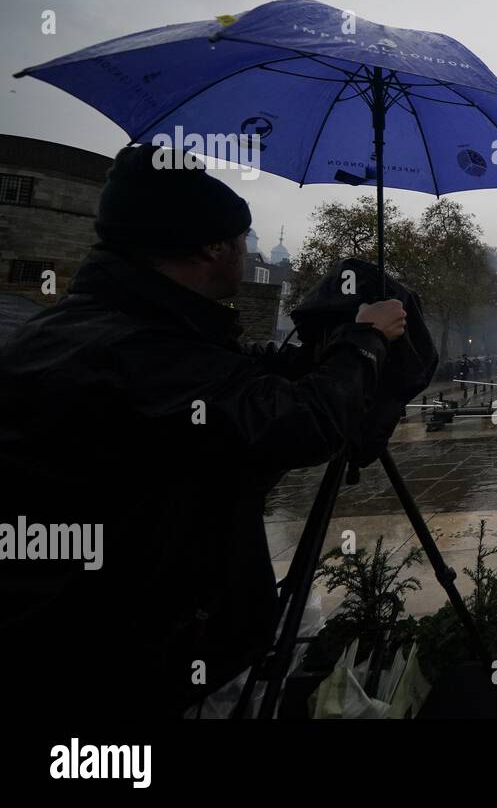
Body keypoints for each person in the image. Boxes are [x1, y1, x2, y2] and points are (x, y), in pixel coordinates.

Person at [0, 144, 408, 717]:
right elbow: (301, 425)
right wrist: (364, 342)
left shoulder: (109, 325)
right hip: (116, 660)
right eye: (241, 238)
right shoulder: (133, 350)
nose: (245, 251)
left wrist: (317, 354)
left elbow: (228, 374)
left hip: (98, 635)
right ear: (213, 248)